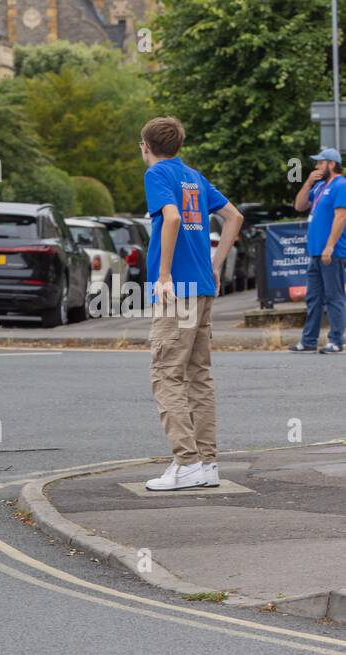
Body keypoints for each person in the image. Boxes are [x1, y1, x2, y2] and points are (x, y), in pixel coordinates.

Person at [139, 116, 243, 492]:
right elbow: (234, 216)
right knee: (199, 374)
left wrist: (163, 274)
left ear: (145, 146)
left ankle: (185, 463)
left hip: (177, 290)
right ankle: (207, 463)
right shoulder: (193, 177)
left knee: (167, 373)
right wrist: (217, 265)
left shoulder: (157, 175)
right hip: (201, 286)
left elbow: (171, 218)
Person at [290, 146, 346, 354]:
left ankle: (336, 341)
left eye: (320, 163)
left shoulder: (341, 185)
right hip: (316, 252)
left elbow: (341, 216)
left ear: (332, 164)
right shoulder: (320, 187)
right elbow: (299, 205)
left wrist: (330, 246)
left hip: (331, 252)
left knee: (334, 296)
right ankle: (309, 341)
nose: (316, 166)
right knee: (314, 298)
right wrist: (308, 182)